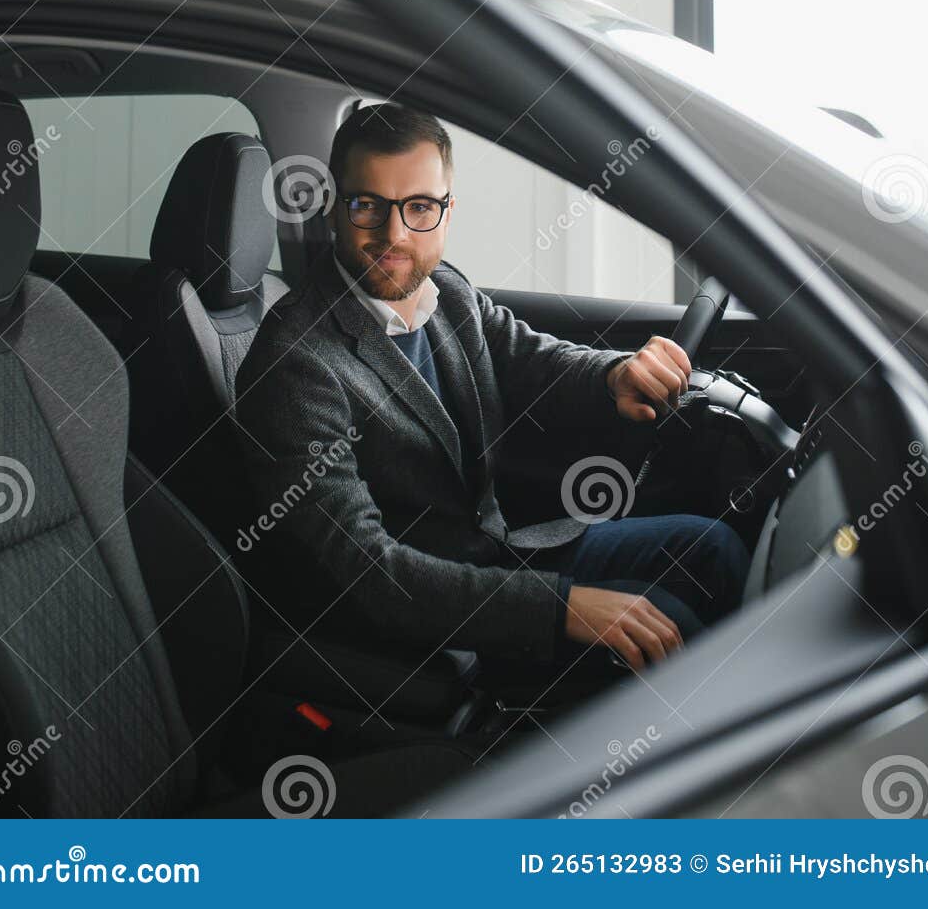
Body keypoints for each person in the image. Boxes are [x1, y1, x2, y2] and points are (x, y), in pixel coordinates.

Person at [233, 103, 748, 678]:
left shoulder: (444, 289)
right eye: (368, 206)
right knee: (672, 632)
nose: (395, 234)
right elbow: (371, 574)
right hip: (437, 629)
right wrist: (560, 609)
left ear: (447, 212)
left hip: (499, 551)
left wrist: (615, 374)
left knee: (713, 550)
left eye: (420, 207)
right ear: (334, 210)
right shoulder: (295, 366)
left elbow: (530, 359)